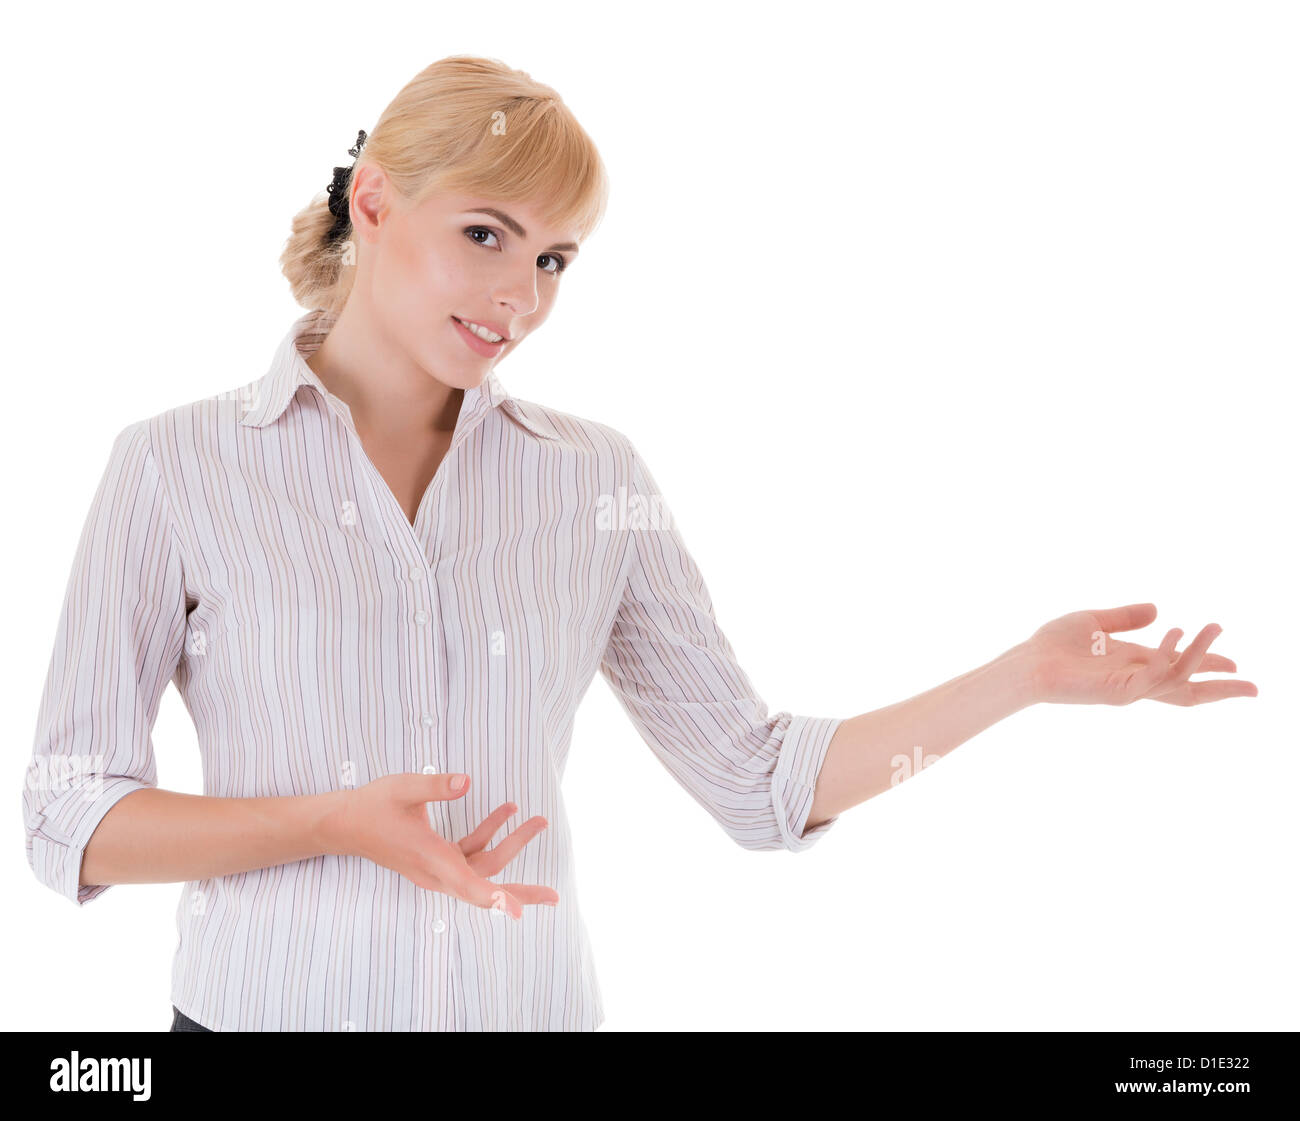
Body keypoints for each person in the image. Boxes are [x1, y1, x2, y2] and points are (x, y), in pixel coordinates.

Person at [22, 55, 1258, 1033]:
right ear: (377, 201)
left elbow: (759, 781)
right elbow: (69, 813)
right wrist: (330, 822)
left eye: (553, 258)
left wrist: (1021, 679)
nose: (520, 297)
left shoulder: (591, 480)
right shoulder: (174, 465)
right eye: (487, 234)